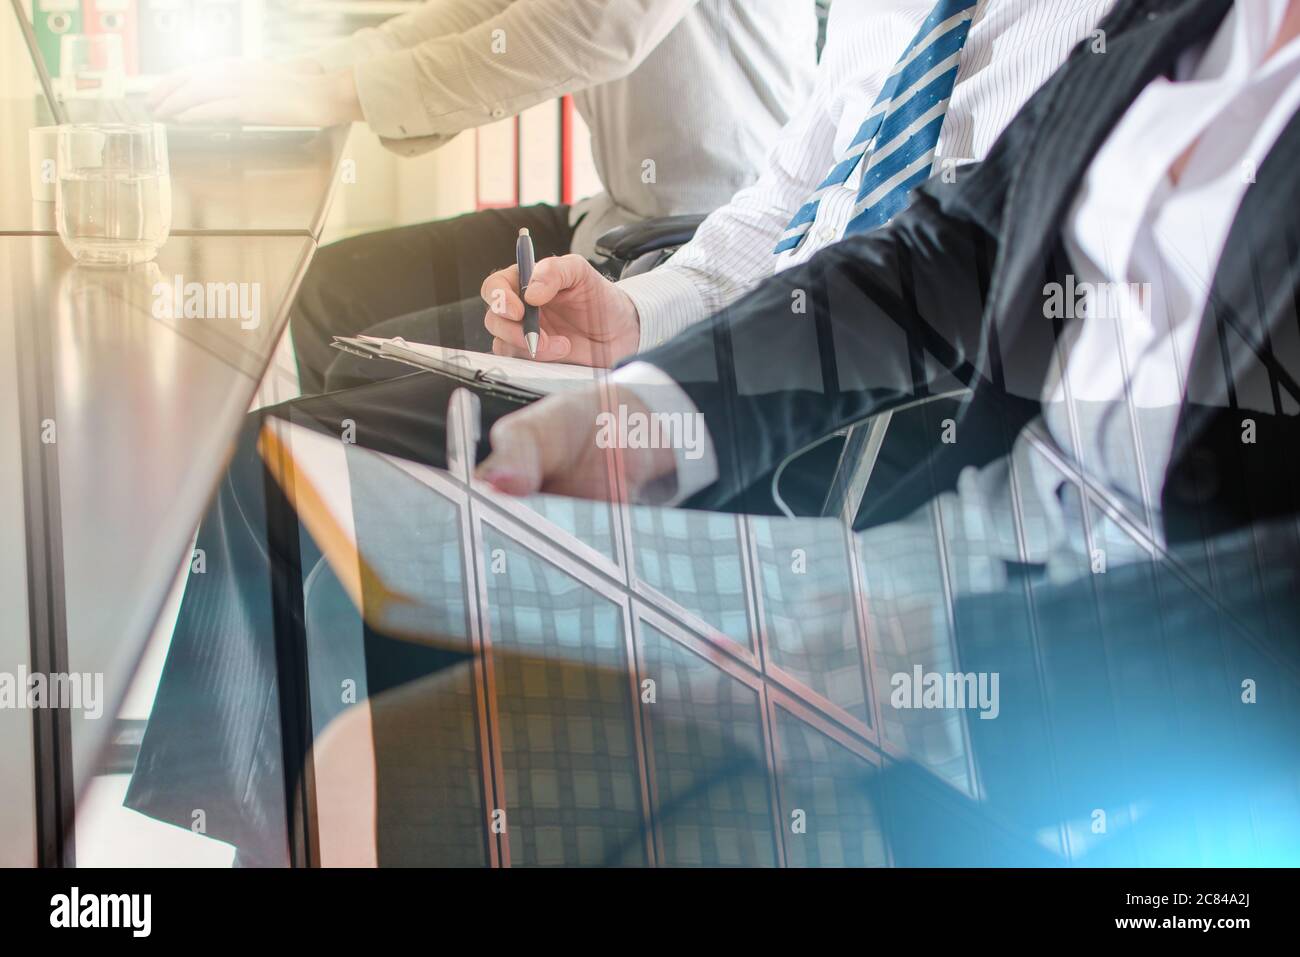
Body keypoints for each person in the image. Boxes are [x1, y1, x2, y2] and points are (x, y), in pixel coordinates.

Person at [125, 0, 1122, 864]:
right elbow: (779, 212)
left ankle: (264, 827)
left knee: (309, 493)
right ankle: (245, 835)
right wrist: (639, 324)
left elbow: (958, 297)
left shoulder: (1119, 41)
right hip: (725, 348)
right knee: (310, 473)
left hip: (848, 443)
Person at [148, 0, 819, 394]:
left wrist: (337, 93)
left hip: (694, 247)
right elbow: (494, 11)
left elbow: (592, 24)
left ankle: (402, 594)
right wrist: (306, 75)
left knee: (365, 366)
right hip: (612, 220)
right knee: (333, 290)